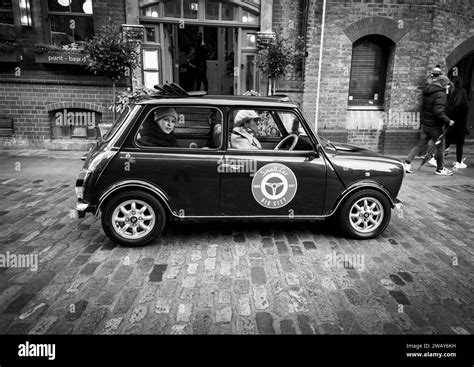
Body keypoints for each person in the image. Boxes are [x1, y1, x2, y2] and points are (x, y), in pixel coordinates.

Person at [403, 75, 455, 175]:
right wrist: (448, 121)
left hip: (426, 124)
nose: (448, 86)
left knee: (420, 144)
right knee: (440, 147)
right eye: (447, 84)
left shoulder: (427, 91)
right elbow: (438, 111)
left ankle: (407, 162)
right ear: (444, 83)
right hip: (435, 126)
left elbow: (424, 107)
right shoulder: (441, 94)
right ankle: (440, 169)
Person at [445, 77, 469, 169]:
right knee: (460, 145)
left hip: (451, 124)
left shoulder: (453, 96)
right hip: (461, 126)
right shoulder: (464, 99)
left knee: (447, 143)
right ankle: (459, 161)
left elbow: (448, 110)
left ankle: (435, 158)